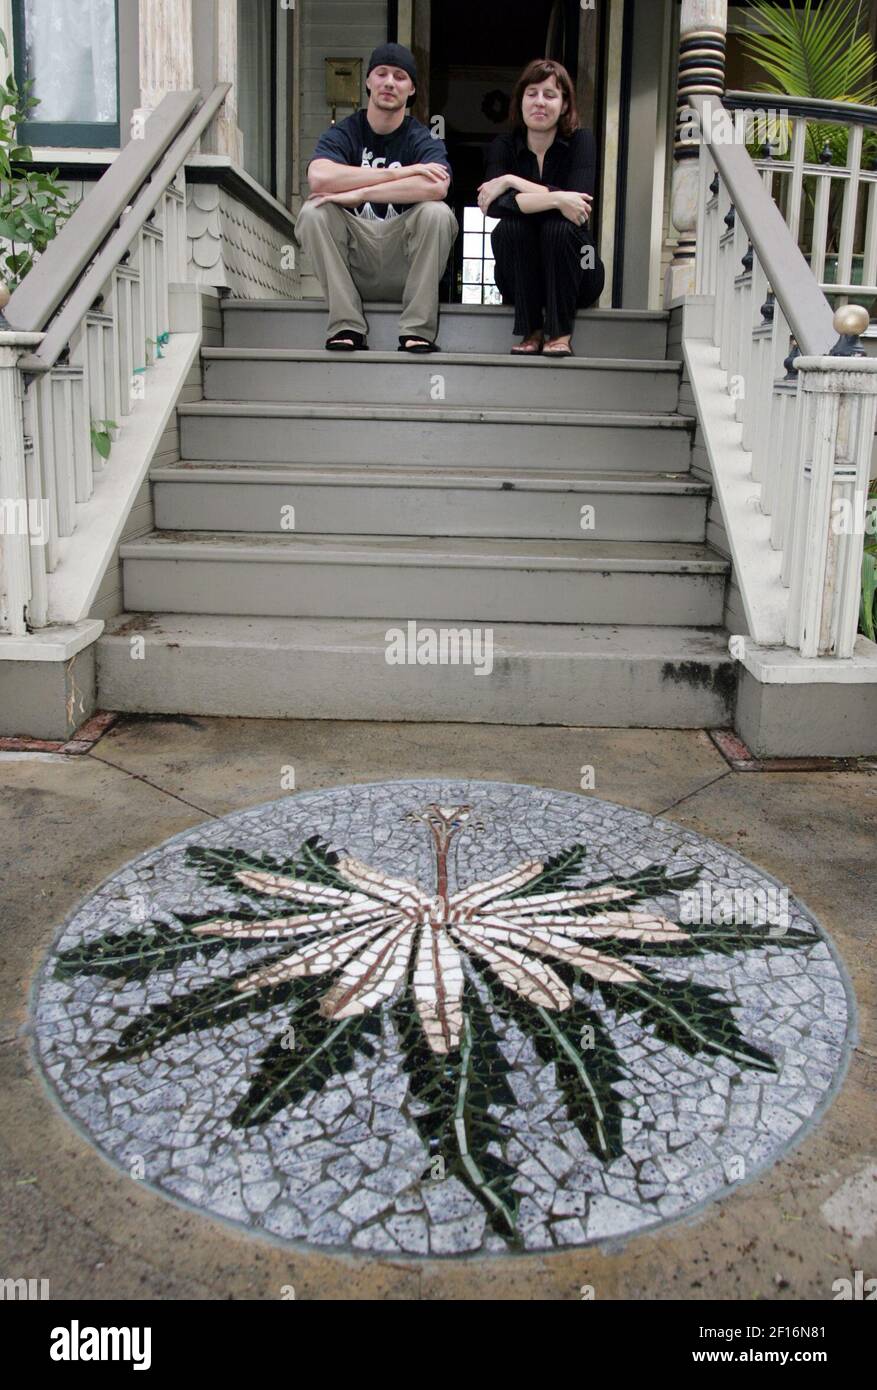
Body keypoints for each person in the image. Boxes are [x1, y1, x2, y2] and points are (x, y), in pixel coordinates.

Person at [295, 43, 458, 353]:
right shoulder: (345, 132)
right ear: (368, 82)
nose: (389, 82)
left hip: (404, 265)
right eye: (381, 74)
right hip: (356, 264)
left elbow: (436, 187)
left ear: (411, 89)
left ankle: (416, 330)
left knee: (437, 213)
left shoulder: (421, 137)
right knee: (313, 212)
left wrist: (361, 192)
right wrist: (397, 174)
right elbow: (319, 178)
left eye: (399, 76)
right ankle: (346, 325)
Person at [478, 58, 605, 358]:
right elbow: (493, 206)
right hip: (521, 278)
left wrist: (511, 182)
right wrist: (559, 199)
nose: (539, 102)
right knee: (510, 228)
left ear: (563, 105)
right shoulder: (503, 146)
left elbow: (580, 206)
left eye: (550, 95)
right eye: (531, 93)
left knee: (558, 229)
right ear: (520, 101)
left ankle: (560, 332)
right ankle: (532, 330)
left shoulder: (581, 141)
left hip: (579, 273)